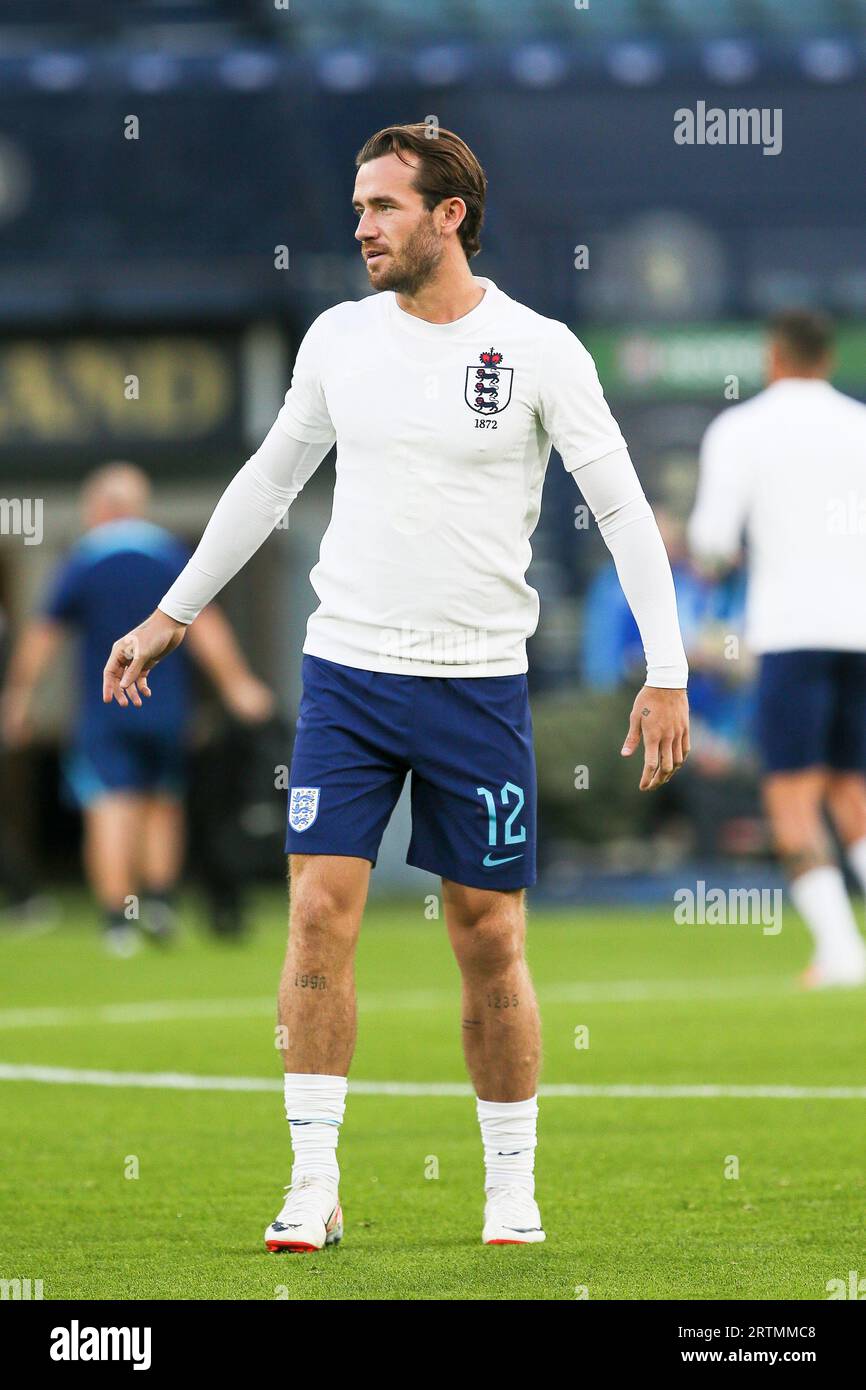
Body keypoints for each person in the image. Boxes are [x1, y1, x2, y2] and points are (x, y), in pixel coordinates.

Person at [103, 125, 689, 1249]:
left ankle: (509, 1186)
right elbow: (271, 476)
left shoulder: (540, 349)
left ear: (448, 215)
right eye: (357, 205)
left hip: (476, 686)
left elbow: (619, 511)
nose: (360, 225)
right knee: (318, 913)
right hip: (348, 677)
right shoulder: (336, 340)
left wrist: (663, 672)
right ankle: (312, 1182)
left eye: (381, 206)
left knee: (487, 935)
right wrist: (172, 610)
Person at [2, 462, 273, 955]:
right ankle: (160, 903)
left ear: (99, 508)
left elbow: (43, 636)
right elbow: (204, 625)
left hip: (108, 706)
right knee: (163, 803)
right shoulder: (169, 555)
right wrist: (238, 685)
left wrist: (19, 698)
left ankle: (117, 921)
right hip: (165, 708)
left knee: (111, 805)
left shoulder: (84, 560)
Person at [689, 310, 866, 988]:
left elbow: (710, 543)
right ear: (827, 357)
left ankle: (843, 953)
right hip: (861, 633)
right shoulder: (859, 425)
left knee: (792, 801)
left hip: (793, 634)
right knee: (853, 795)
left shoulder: (741, 429)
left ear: (773, 357)